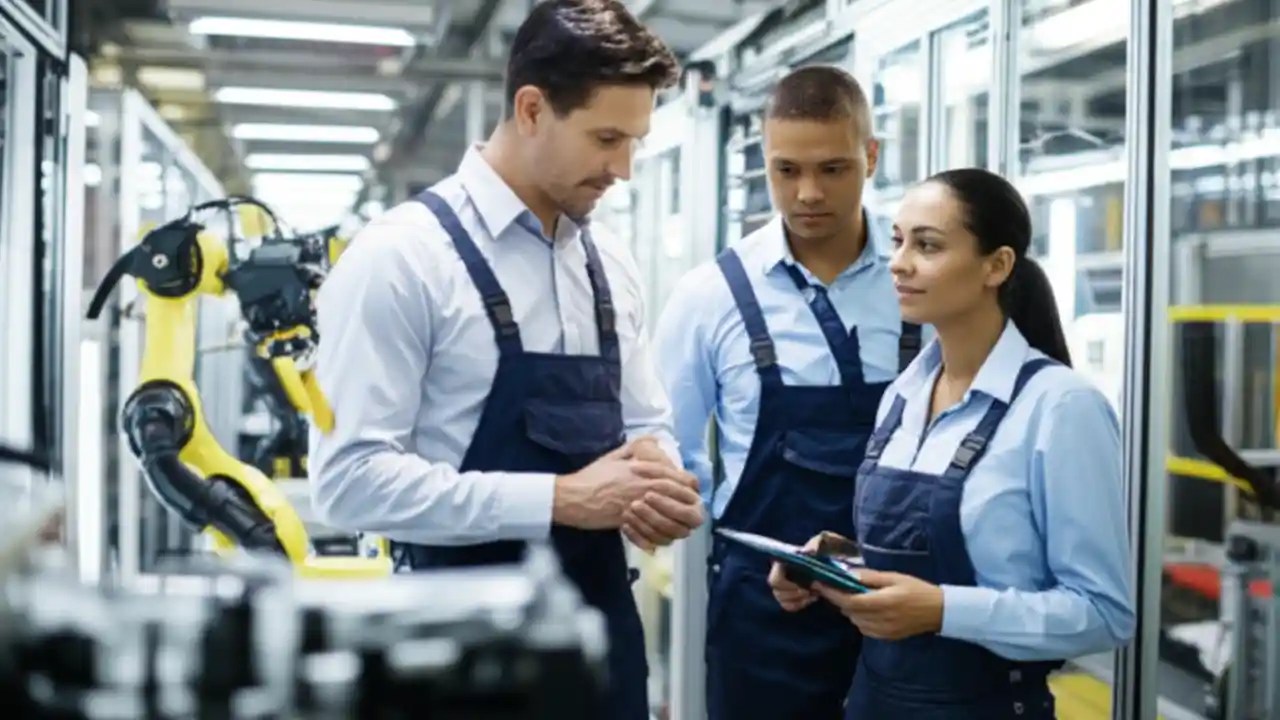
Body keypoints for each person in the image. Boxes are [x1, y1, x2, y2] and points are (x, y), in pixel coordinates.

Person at [308, 2, 705, 717]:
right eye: (606, 138)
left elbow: (646, 421)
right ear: (530, 108)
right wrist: (560, 501)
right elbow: (349, 480)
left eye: (635, 141)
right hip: (451, 647)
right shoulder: (400, 258)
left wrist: (658, 479)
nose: (624, 168)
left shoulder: (607, 260)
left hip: (600, 639)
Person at [768, 168, 1136, 719]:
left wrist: (944, 612)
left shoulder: (1059, 407)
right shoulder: (903, 395)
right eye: (898, 242)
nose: (898, 263)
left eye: (928, 245)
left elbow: (1104, 613)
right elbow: (934, 553)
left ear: (997, 265)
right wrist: (833, 562)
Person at [655, 65, 923, 720]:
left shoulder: (921, 276)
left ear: (872, 156)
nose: (808, 193)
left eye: (833, 169)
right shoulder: (711, 295)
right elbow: (668, 449)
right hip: (764, 620)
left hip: (907, 609)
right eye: (785, 170)